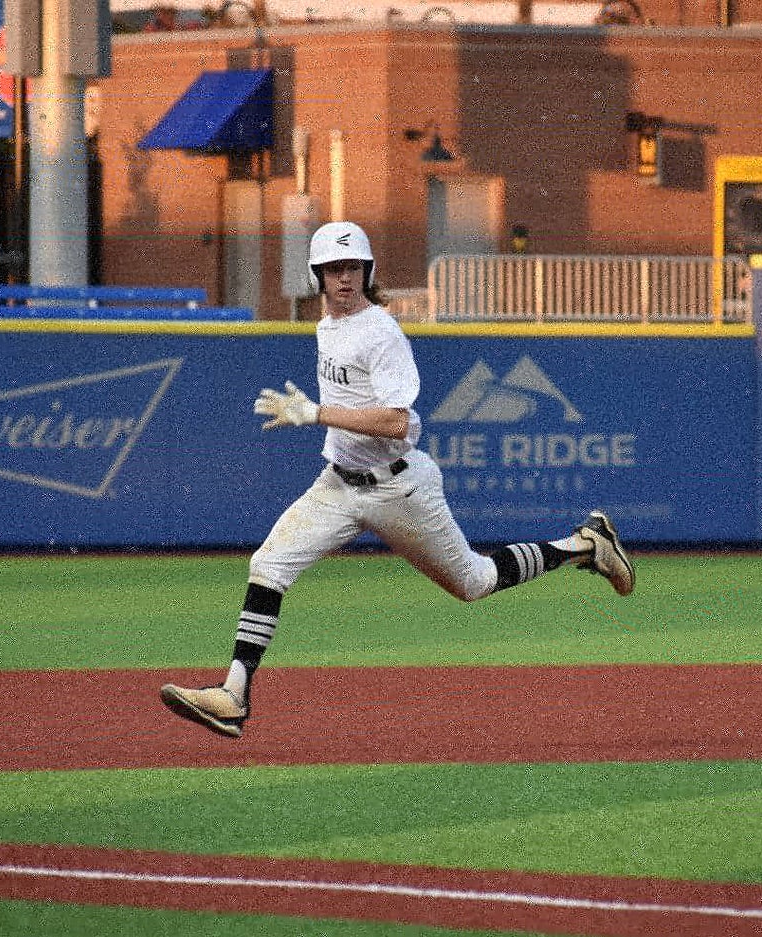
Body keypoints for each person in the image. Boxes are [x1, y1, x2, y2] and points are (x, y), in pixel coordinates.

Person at [160, 221, 635, 738]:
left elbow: (399, 423)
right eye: (333, 269)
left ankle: (586, 546)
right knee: (268, 564)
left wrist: (316, 414)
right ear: (317, 276)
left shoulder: (381, 332)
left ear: (367, 271)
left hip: (398, 487)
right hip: (339, 485)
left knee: (473, 582)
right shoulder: (328, 326)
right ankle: (234, 694)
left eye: (352, 268)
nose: (344, 278)